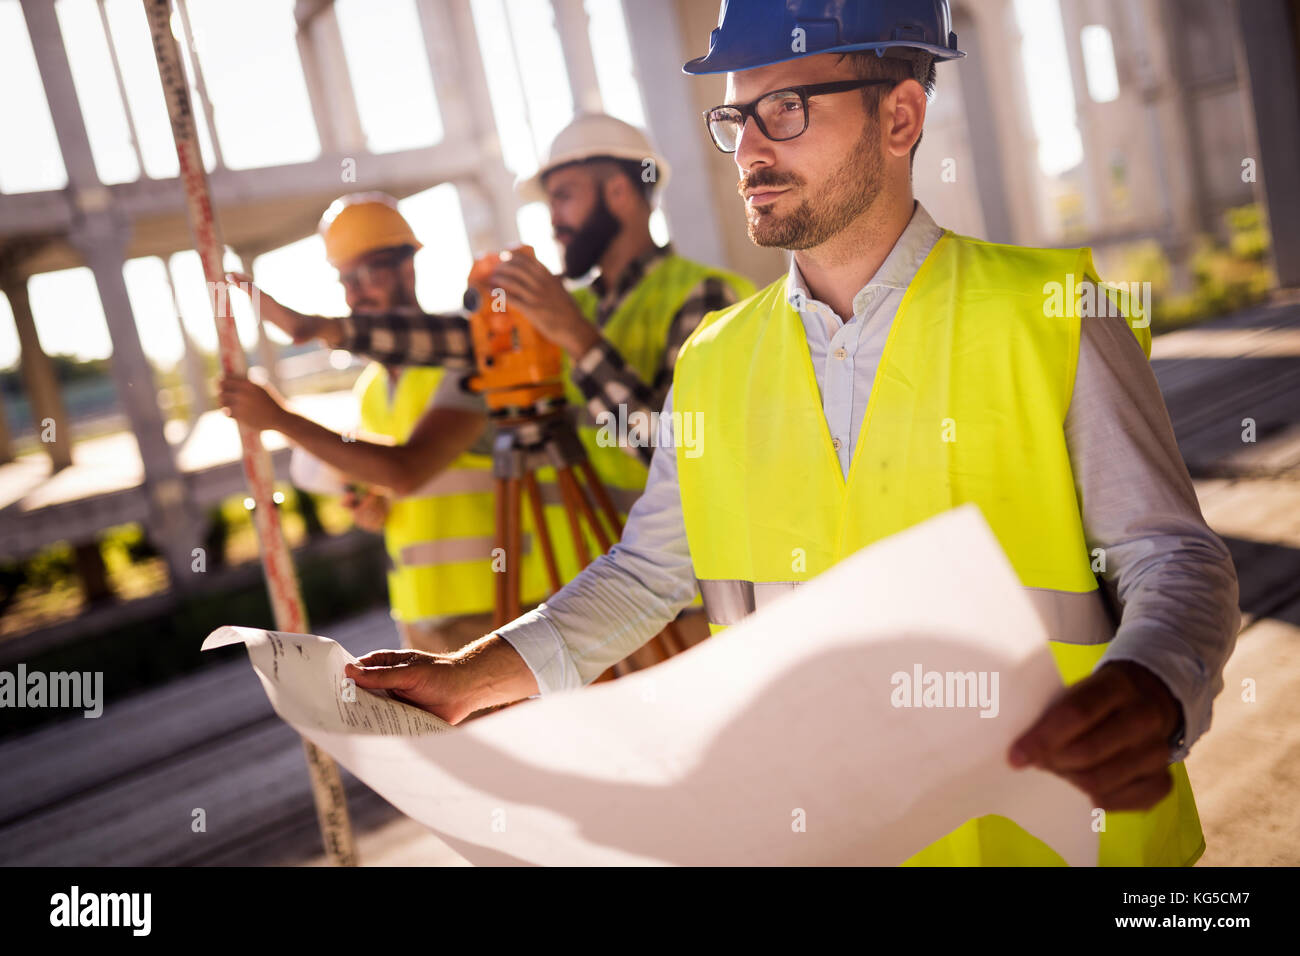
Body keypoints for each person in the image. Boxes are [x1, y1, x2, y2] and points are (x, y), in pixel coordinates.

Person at [332, 0, 1242, 866]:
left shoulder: (1051, 312)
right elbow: (649, 574)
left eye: (787, 108)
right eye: (736, 120)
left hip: (1053, 841)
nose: (750, 149)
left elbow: (1170, 555)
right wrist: (472, 673)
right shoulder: (716, 359)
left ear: (900, 116)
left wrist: (1155, 683)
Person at [225, 115, 756, 670]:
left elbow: (678, 455)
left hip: (687, 598)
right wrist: (327, 330)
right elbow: (454, 335)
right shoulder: (573, 305)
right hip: (603, 598)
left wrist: (575, 338)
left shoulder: (702, 295)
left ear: (620, 192)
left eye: (565, 198)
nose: (554, 222)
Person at [220, 193, 516, 653]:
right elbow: (394, 483)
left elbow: (408, 469)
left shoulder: (471, 353)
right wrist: (374, 508)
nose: (355, 292)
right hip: (423, 622)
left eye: (367, 272)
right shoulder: (373, 388)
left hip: (506, 609)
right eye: (345, 278)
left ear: (407, 266)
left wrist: (279, 419)